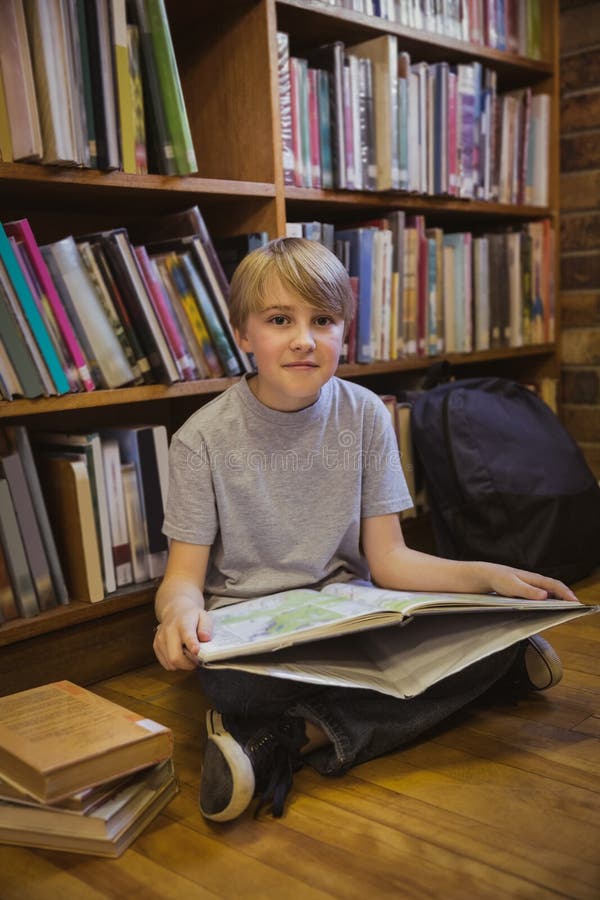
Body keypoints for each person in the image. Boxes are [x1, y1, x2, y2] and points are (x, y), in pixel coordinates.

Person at [153, 237, 577, 823]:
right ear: (244, 335)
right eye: (280, 320)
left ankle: (291, 737)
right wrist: (176, 615)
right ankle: (463, 678)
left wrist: (487, 578)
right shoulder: (200, 440)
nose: (304, 338)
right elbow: (183, 580)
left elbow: (391, 561)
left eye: (322, 320)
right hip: (254, 639)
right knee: (233, 689)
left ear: (342, 333)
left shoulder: (366, 414)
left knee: (472, 633)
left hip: (349, 617)